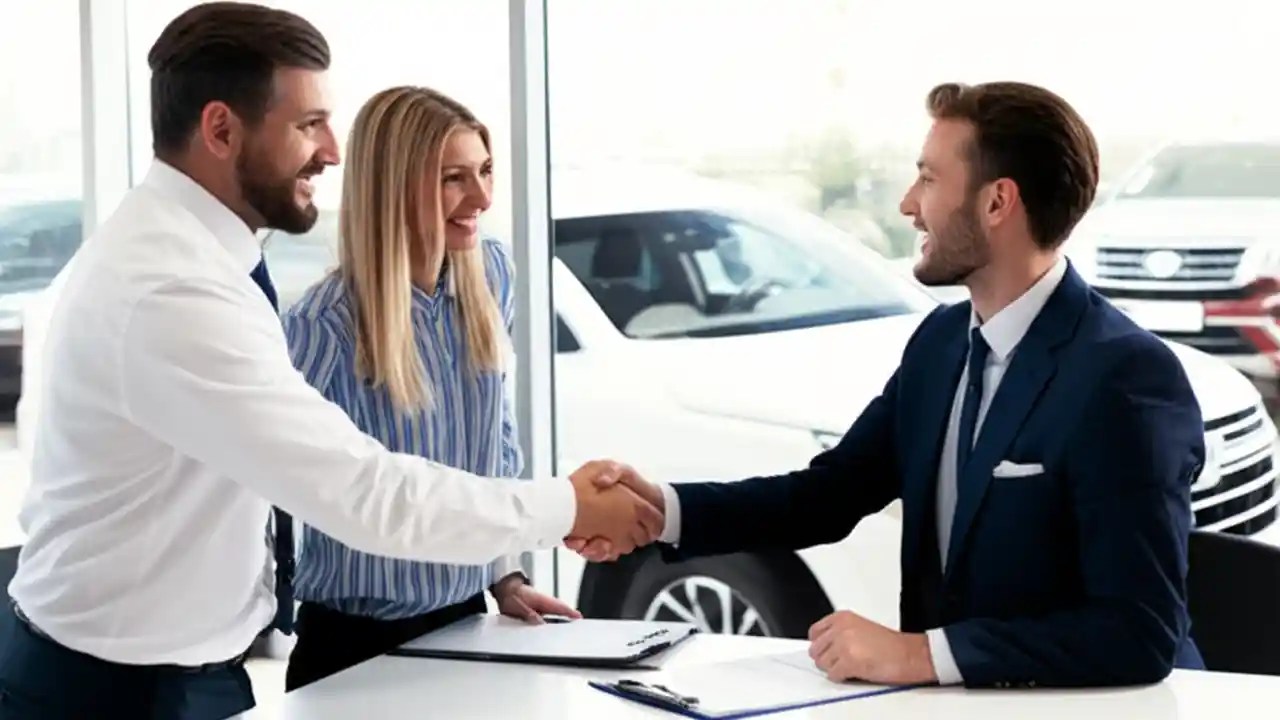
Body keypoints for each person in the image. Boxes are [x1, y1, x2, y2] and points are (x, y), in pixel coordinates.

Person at [0, 4, 656, 718]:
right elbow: (357, 491)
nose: (334, 150)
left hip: (176, 671)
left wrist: (504, 564)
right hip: (122, 690)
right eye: (308, 123)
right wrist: (565, 505)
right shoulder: (173, 289)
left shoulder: (196, 257)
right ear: (221, 129)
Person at [576, 81, 1207, 689]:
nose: (908, 203)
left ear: (997, 203)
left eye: (929, 178)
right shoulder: (939, 343)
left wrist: (920, 654)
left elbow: (1138, 632)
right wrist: (661, 509)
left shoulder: (1124, 376)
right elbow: (827, 494)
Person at [278, 86, 579, 690]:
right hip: (352, 649)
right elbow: (270, 490)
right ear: (395, 186)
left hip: (466, 627)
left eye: (485, 171)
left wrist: (504, 574)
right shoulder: (323, 324)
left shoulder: (492, 272)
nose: (483, 197)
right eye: (454, 178)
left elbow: (493, 445)